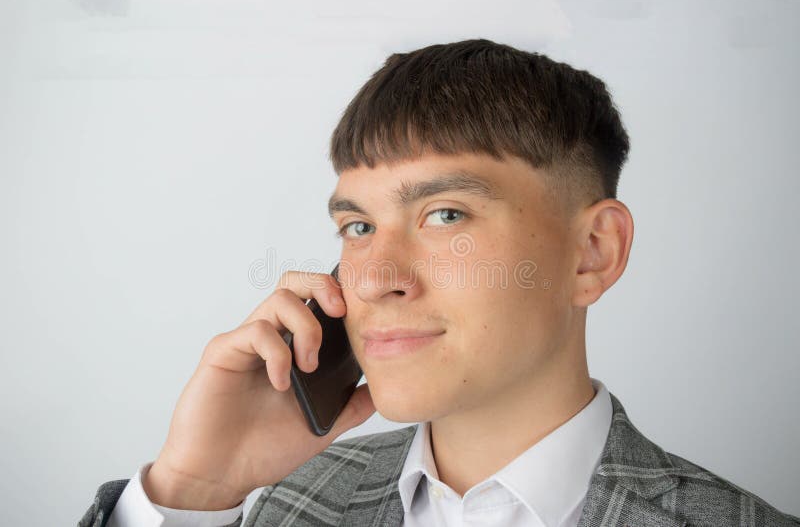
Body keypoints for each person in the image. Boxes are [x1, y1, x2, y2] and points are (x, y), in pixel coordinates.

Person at [79, 38, 799, 527]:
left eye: (445, 213)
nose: (375, 280)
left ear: (592, 253)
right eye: (357, 227)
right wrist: (191, 492)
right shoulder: (287, 506)